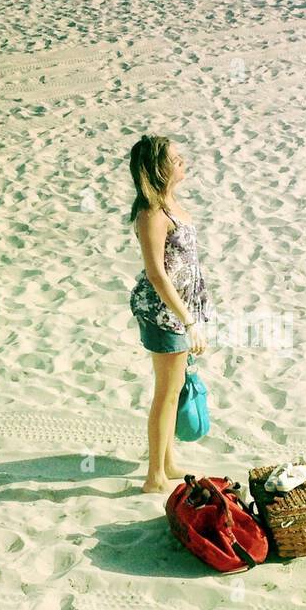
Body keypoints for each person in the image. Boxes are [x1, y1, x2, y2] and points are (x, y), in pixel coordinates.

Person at [127, 135, 215, 493]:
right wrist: (188, 321)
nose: (183, 162)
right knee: (166, 391)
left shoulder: (171, 204)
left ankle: (167, 462)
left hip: (183, 308)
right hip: (164, 313)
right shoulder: (151, 213)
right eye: (175, 159)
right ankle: (154, 477)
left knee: (175, 388)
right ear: (158, 169)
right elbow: (156, 274)